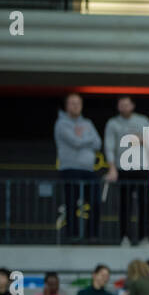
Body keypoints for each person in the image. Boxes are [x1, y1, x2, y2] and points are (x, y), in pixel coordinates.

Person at [102, 95, 149, 244]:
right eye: (121, 105)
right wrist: (112, 168)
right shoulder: (113, 123)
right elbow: (109, 146)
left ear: (132, 105)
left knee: (145, 204)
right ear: (118, 107)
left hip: (142, 167)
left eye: (127, 104)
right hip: (123, 168)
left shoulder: (143, 120)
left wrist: (142, 140)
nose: (124, 107)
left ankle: (144, 237)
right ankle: (124, 237)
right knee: (124, 205)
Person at [55, 93, 101, 241]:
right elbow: (75, 142)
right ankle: (72, 235)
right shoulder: (61, 124)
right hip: (69, 168)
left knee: (95, 200)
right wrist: (86, 139)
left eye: (78, 103)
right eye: (72, 103)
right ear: (67, 105)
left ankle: (92, 235)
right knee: (71, 202)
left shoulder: (88, 123)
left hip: (89, 170)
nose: (75, 106)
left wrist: (82, 139)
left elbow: (98, 143)